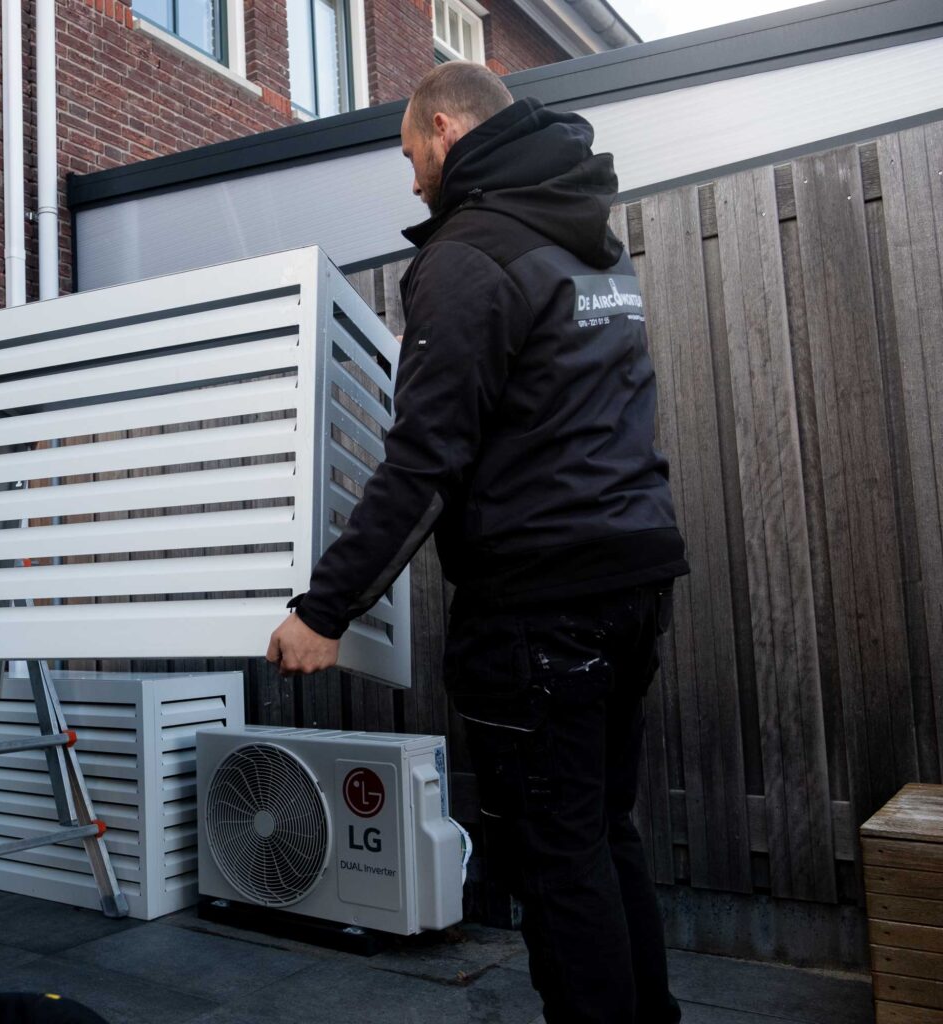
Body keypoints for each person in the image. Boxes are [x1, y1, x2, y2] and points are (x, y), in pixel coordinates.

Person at [266, 63, 689, 1023]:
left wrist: (323, 609)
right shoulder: (590, 248)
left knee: (557, 857)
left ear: (447, 132)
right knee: (599, 832)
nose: (412, 180)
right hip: (632, 579)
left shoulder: (469, 255)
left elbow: (424, 459)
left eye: (412, 156)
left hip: (543, 607)